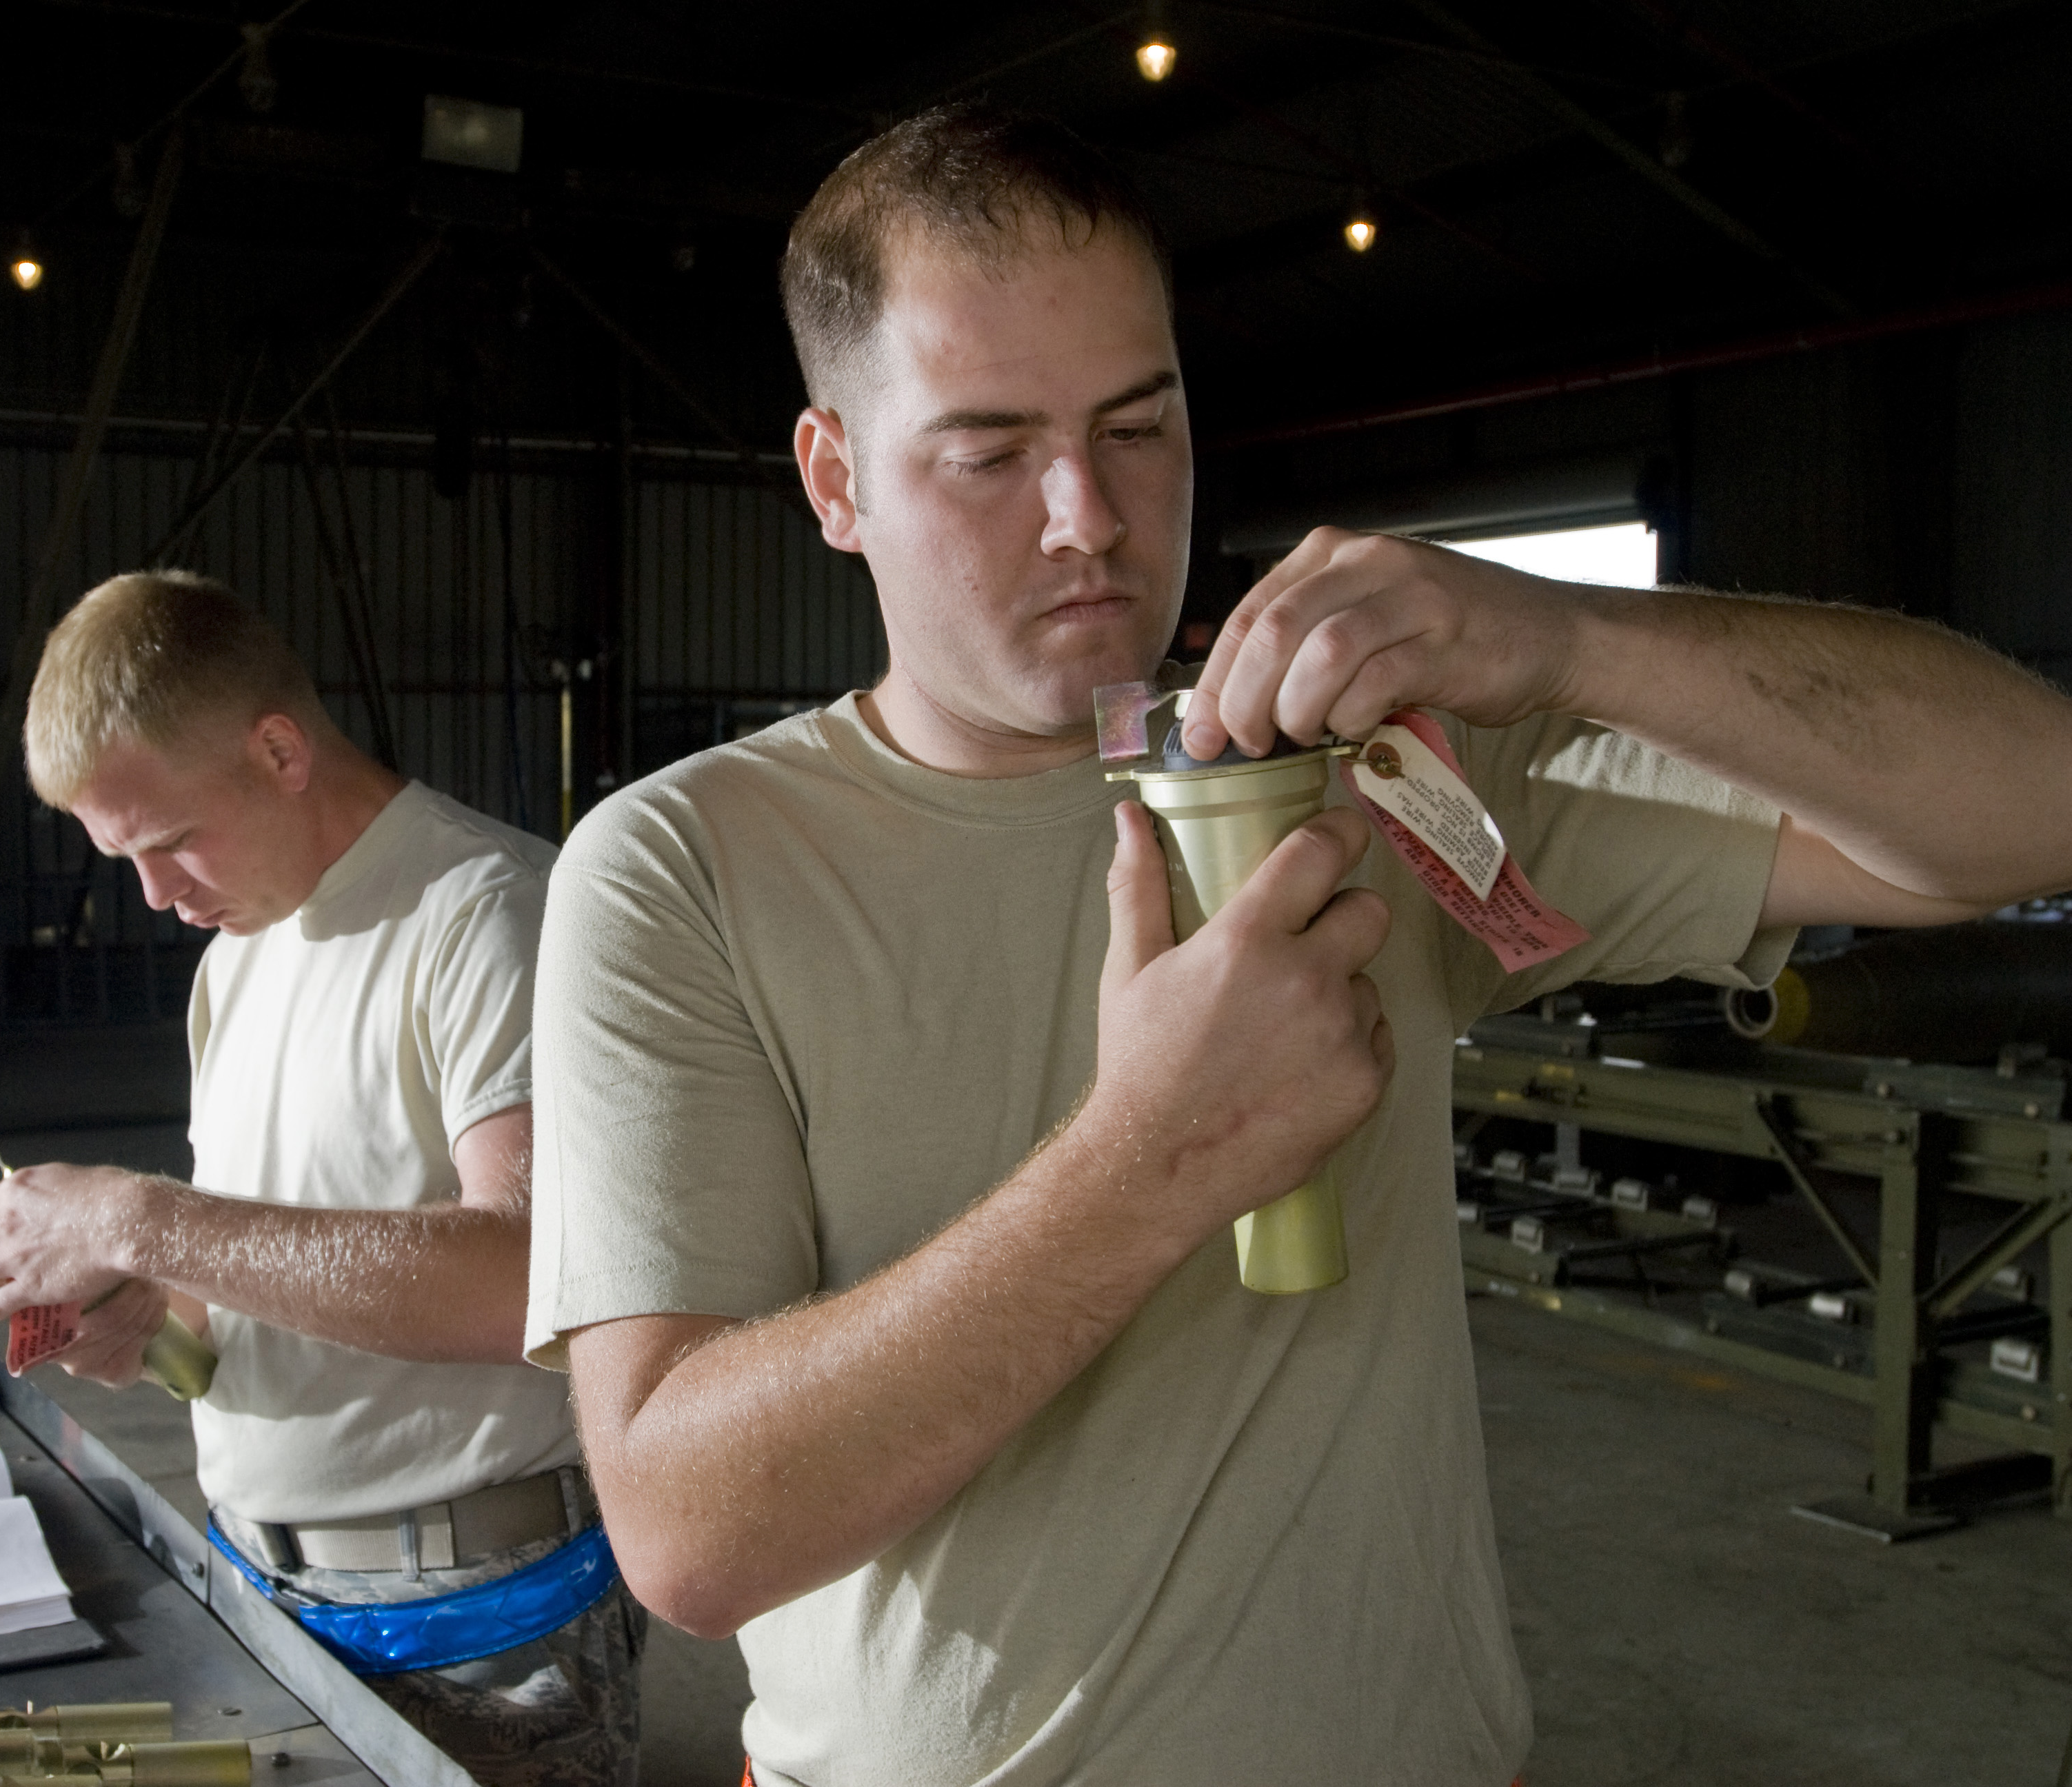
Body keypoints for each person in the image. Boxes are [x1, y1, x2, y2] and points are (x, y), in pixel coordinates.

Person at [521, 103, 2072, 1786]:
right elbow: (689, 1534)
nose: (1088, 518)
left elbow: (2030, 811)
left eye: (1138, 426)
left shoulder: (1379, 773)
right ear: (835, 479)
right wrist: (1149, 1156)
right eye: (988, 452)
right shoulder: (686, 869)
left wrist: (1567, 637)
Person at [0, 571, 641, 1787]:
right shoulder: (238, 958)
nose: (155, 893)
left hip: (476, 1621)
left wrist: (138, 1219)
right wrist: (153, 1324)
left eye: (169, 841)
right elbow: (258, 1269)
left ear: (278, 751)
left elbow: (533, 1276)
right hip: (265, 1591)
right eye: (124, 857)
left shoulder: (486, 912)